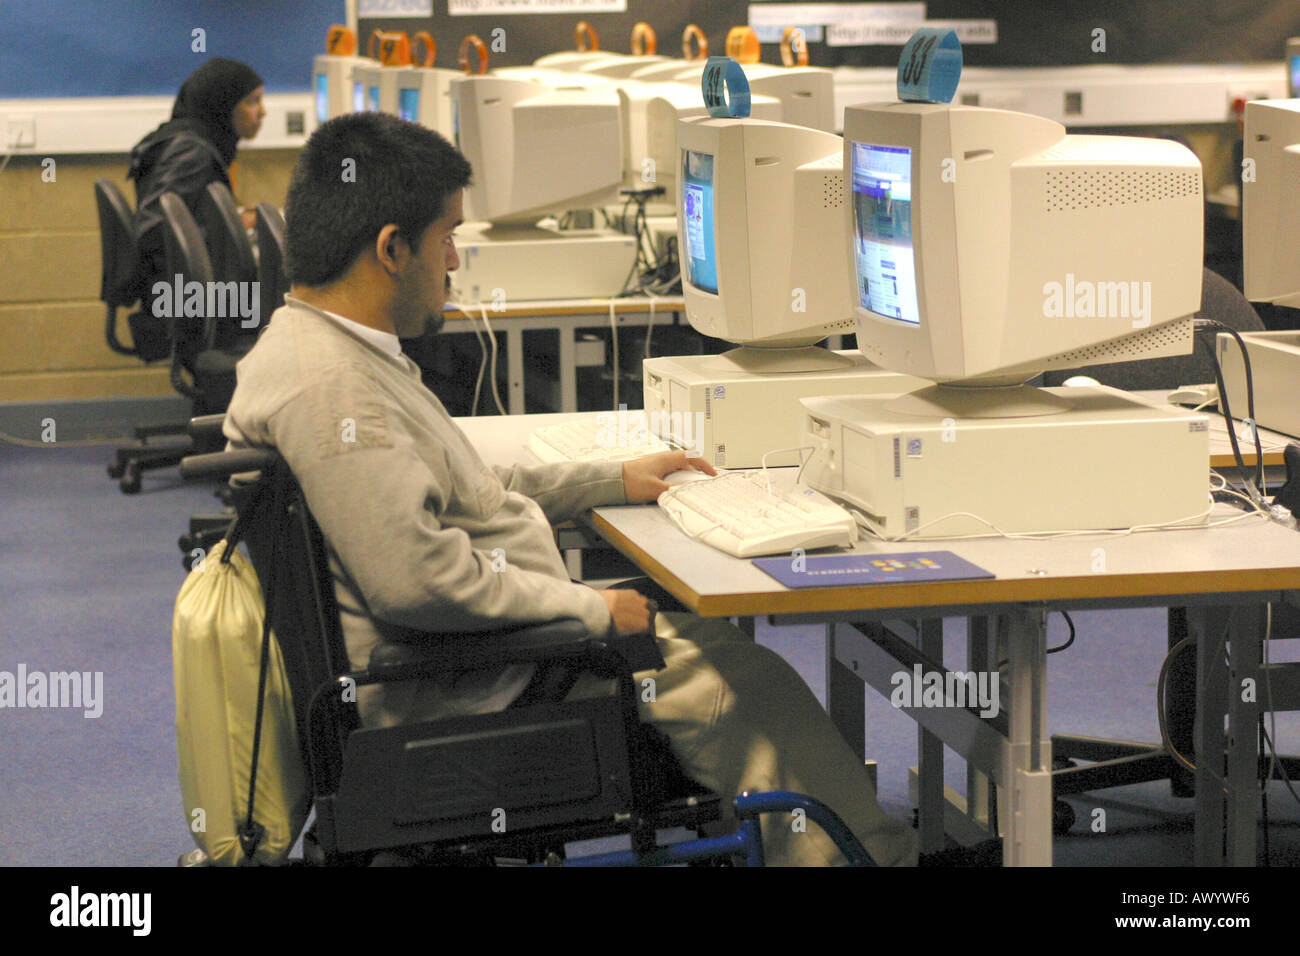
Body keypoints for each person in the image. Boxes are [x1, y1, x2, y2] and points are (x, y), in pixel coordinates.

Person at [221, 113, 919, 867]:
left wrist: (608, 477)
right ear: (391, 249)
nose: (455, 261)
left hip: (481, 663)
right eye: (447, 237)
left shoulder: (318, 351)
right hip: (468, 694)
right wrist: (590, 611)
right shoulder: (335, 392)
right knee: (731, 679)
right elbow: (418, 581)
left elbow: (462, 492)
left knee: (721, 650)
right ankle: (860, 858)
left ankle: (852, 848)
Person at [127, 57, 266, 332]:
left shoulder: (188, 139)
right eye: (252, 101)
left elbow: (185, 215)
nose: (262, 112)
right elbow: (155, 230)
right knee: (292, 298)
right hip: (182, 297)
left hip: (179, 290)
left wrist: (234, 222)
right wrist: (229, 230)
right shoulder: (193, 152)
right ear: (223, 108)